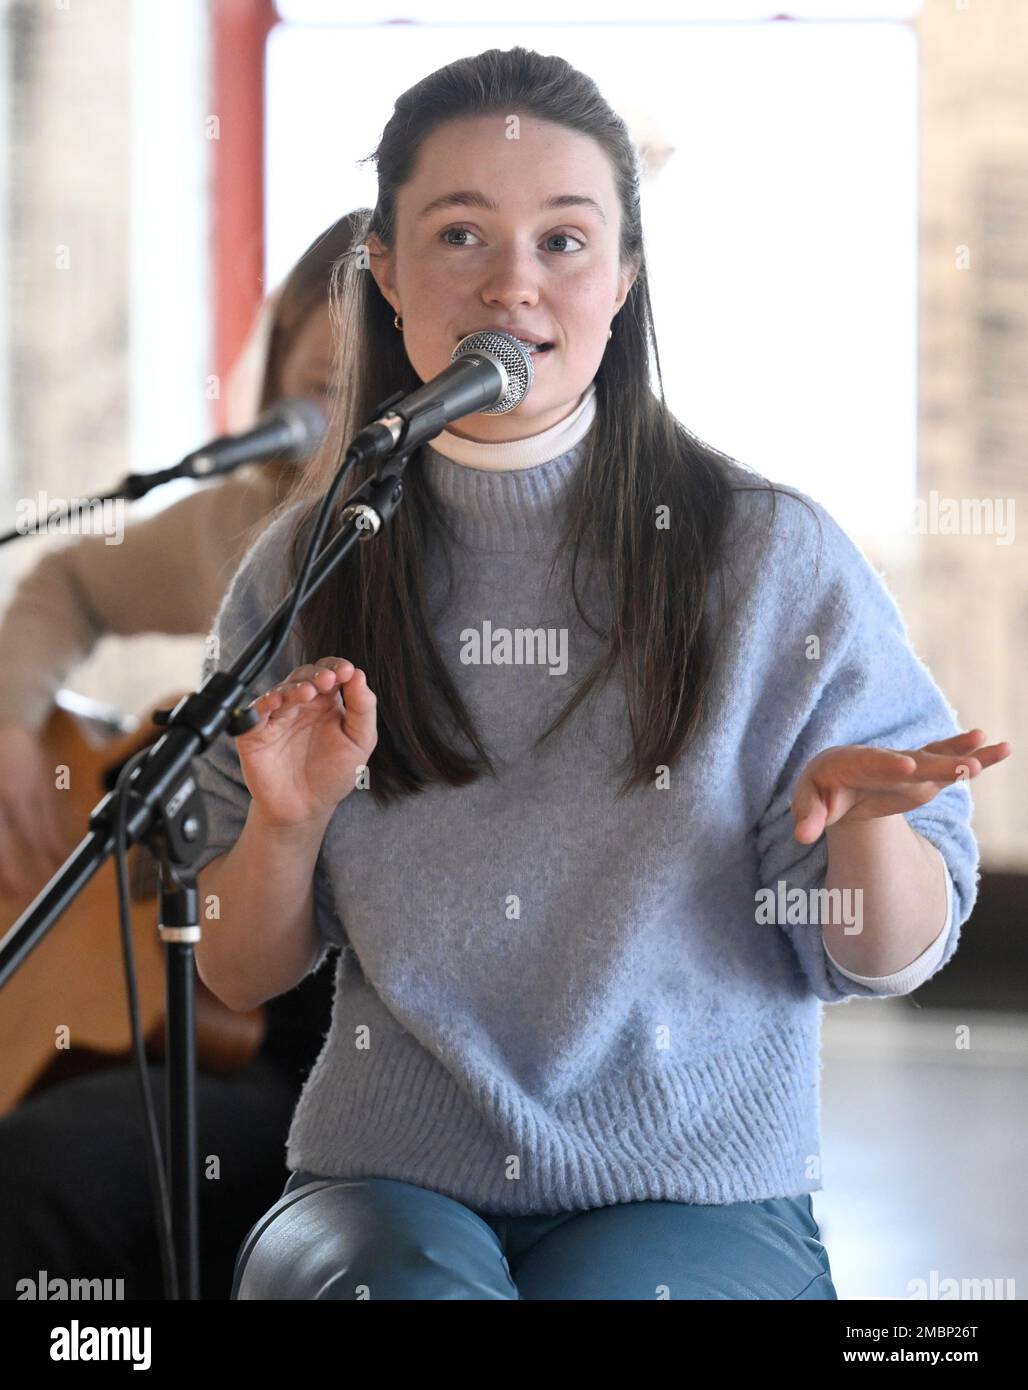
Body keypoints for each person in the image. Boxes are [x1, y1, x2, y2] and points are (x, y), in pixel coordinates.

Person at [192, 47, 1011, 1301]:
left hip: (698, 1188)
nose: (512, 282)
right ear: (384, 271)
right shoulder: (307, 567)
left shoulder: (765, 553)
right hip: (385, 1180)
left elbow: (877, 956)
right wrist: (287, 826)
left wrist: (866, 838)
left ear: (623, 280)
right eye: (459, 233)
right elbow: (239, 972)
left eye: (563, 241)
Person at [0, 213, 364, 1300]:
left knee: (38, 1174)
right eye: (315, 313)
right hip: (169, 992)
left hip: (313, 1031)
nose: (331, 349)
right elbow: (65, 583)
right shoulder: (236, 518)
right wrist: (13, 725)